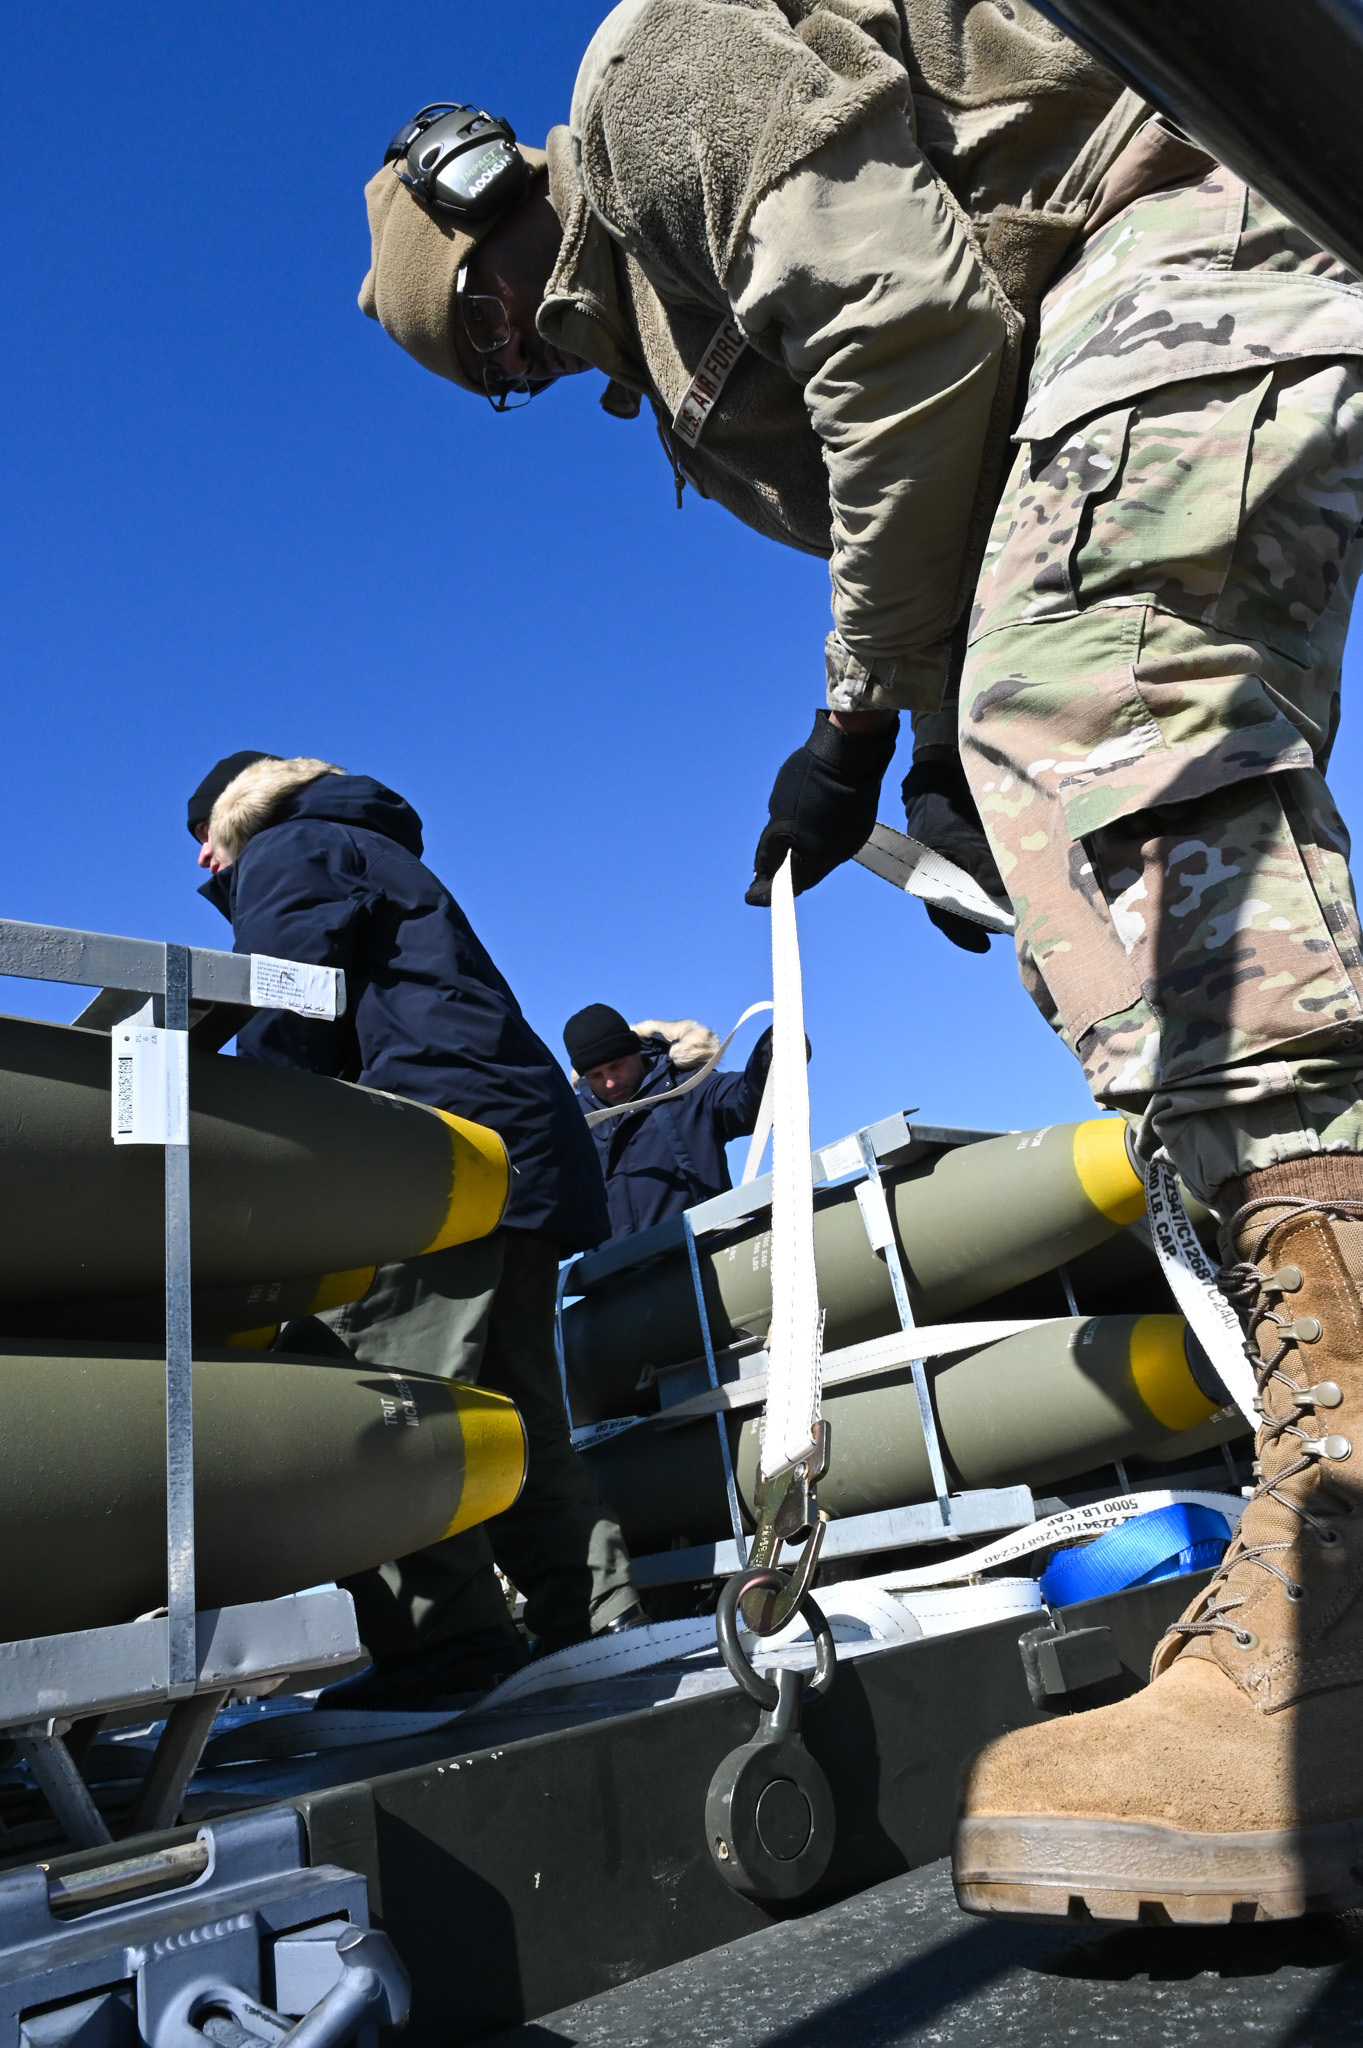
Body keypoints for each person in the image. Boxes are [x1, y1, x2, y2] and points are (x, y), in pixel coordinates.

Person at [356, 4, 1363, 1916]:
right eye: (488, 371)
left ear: (485, 206)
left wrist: (854, 721)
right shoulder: (657, 335)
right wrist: (916, 748)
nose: (522, 361)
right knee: (1049, 810)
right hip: (1105, 310)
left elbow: (906, 339)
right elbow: (954, 476)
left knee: (1080, 703)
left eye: (484, 321)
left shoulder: (649, 93)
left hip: (1191, 211)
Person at [187, 751, 644, 1707]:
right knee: (515, 1415)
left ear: (235, 820)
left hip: (422, 1161)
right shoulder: (364, 846)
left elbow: (288, 1004)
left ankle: (446, 1645)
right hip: (509, 1157)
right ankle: (593, 1625)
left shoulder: (286, 848)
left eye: (204, 841)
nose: (201, 868)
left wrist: (250, 1141)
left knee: (377, 1406)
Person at [564, 1004, 775, 1242]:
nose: (610, 1082)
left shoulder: (690, 1088)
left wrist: (771, 1056)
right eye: (596, 1076)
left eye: (616, 1066)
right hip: (610, 1276)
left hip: (700, 1264)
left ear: (635, 1051)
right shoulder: (571, 1123)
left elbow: (750, 1102)